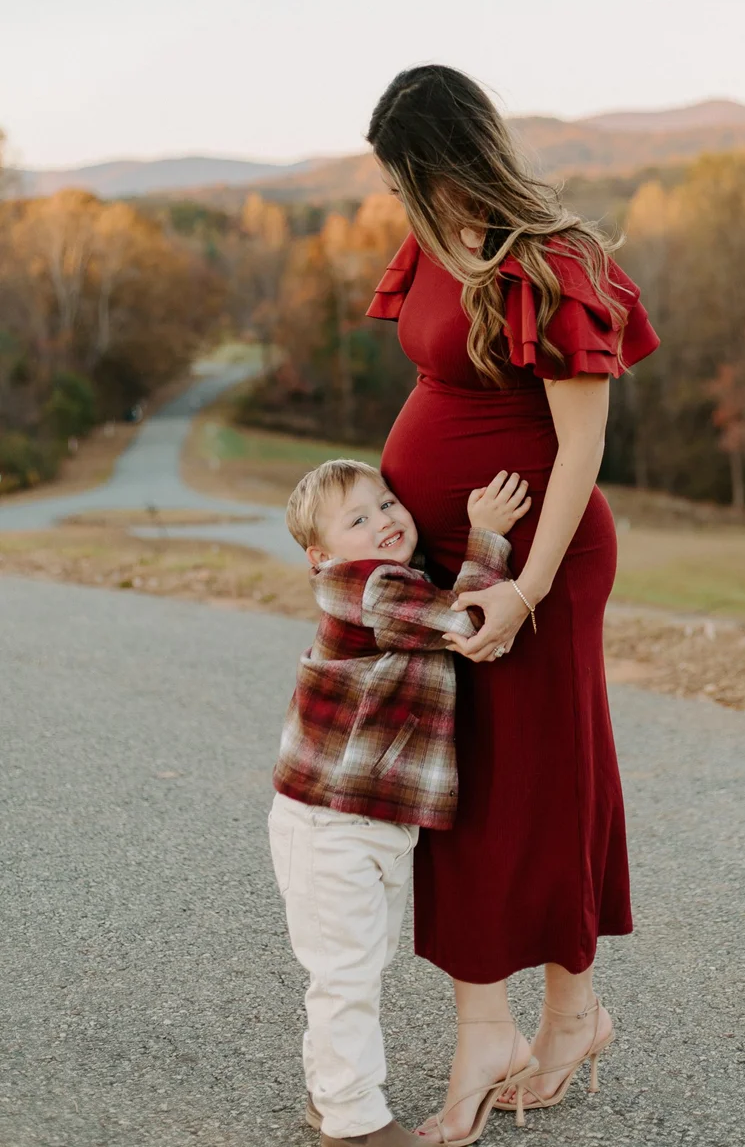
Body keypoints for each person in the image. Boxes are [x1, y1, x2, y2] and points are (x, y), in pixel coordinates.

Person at [365, 64, 660, 1144]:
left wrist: (527, 589)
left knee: (534, 781)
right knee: (469, 786)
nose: (406, 199)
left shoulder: (553, 259)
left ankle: (540, 1021)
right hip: (456, 562)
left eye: (413, 176)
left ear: (455, 159)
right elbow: (436, 383)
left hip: (540, 564)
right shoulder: (432, 247)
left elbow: (582, 441)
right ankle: (544, 1020)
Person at [268, 459, 535, 1147]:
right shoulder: (363, 588)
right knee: (347, 975)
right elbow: (466, 619)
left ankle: (332, 1097)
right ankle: (355, 1125)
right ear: (319, 556)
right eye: (358, 518)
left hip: (365, 821)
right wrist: (486, 539)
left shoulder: (394, 583)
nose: (385, 520)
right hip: (332, 823)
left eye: (386, 503)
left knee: (351, 967)